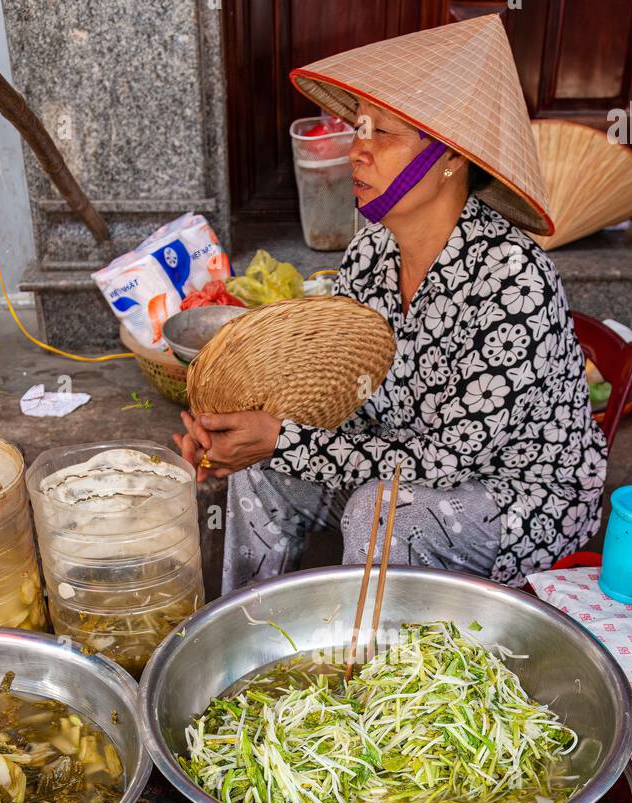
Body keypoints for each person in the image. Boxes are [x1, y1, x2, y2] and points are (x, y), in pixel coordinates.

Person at [175, 14, 608, 595]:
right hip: (391, 471)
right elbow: (341, 396)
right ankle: (246, 627)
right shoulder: (371, 250)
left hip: (516, 496)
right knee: (266, 470)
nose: (357, 150)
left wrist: (284, 438)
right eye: (359, 129)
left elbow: (444, 465)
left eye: (384, 134)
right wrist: (239, 435)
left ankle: (373, 674)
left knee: (380, 514)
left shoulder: (512, 281)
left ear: (450, 156)